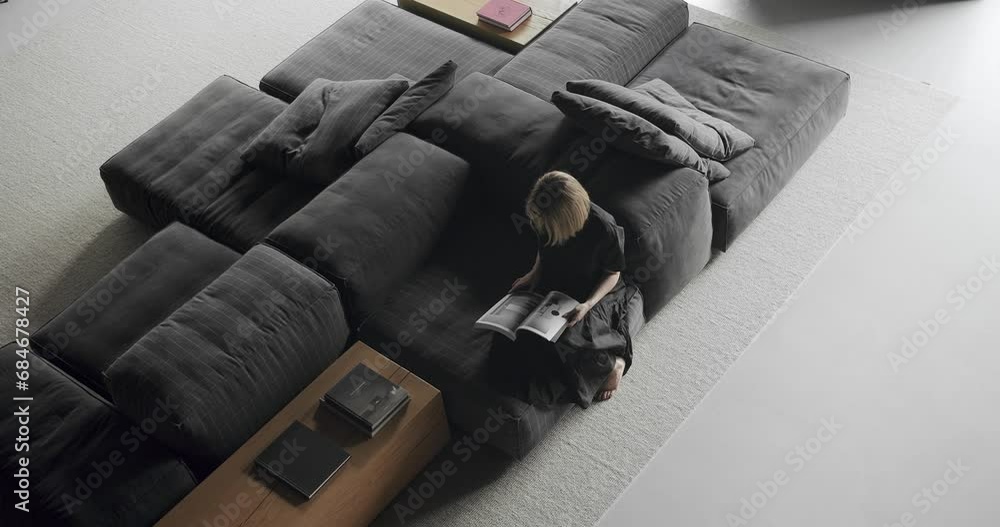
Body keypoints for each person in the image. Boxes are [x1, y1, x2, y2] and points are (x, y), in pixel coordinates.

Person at [490, 171, 635, 408]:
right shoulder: (544, 216)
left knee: (565, 339)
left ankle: (614, 365)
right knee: (512, 338)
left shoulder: (603, 227)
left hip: (592, 292)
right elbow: (543, 251)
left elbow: (613, 274)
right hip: (557, 283)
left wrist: (587, 305)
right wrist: (533, 275)